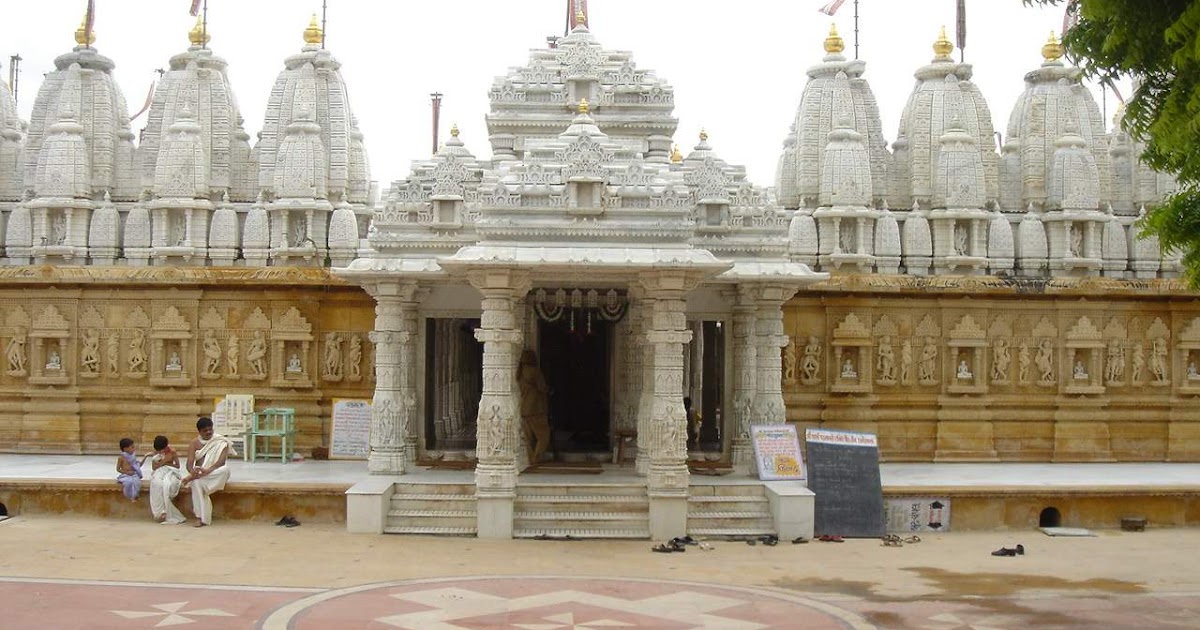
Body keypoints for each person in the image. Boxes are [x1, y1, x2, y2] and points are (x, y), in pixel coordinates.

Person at [182, 417, 233, 527]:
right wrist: (192, 471)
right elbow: (189, 464)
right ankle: (200, 518)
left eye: (210, 429)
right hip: (200, 476)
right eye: (205, 430)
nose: (209, 432)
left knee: (225, 470)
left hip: (214, 475)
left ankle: (194, 478)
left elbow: (221, 462)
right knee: (196, 484)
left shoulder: (221, 441)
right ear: (199, 432)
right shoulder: (194, 443)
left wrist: (207, 470)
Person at [517, 350, 551, 465]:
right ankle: (537, 457)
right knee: (544, 436)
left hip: (524, 409)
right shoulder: (534, 371)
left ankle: (530, 459)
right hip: (536, 409)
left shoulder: (519, 373)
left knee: (528, 438)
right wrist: (550, 390)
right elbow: (542, 387)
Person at [146, 435, 185, 524]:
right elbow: (154, 468)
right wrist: (161, 462)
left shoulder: (172, 452)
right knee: (157, 484)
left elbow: (177, 466)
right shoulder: (156, 453)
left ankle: (165, 511)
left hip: (170, 472)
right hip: (159, 472)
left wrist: (166, 462)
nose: (161, 451)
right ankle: (159, 512)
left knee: (168, 485)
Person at [115, 437, 143, 502]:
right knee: (129, 482)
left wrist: (145, 457)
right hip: (125, 475)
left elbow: (137, 465)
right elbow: (118, 469)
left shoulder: (133, 456)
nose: (134, 449)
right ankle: (129, 496)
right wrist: (127, 472)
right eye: (132, 447)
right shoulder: (121, 458)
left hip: (134, 474)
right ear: (125, 448)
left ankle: (135, 496)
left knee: (137, 482)